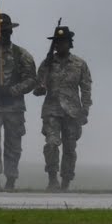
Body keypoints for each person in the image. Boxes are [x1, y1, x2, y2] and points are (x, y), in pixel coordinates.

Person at [0, 14, 37, 191]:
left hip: (14, 107)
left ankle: (11, 179)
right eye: (0, 31)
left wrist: (14, 90)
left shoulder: (22, 54)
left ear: (11, 31)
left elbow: (32, 79)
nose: (3, 34)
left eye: (6, 31)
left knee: (13, 145)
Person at [36, 25, 93, 191]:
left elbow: (86, 88)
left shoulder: (79, 64)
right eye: (57, 42)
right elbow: (38, 86)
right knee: (52, 144)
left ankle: (66, 180)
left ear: (70, 43)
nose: (60, 45)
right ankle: (52, 178)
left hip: (72, 112)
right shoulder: (46, 64)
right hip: (52, 110)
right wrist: (40, 88)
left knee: (70, 148)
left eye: (63, 42)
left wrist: (85, 110)